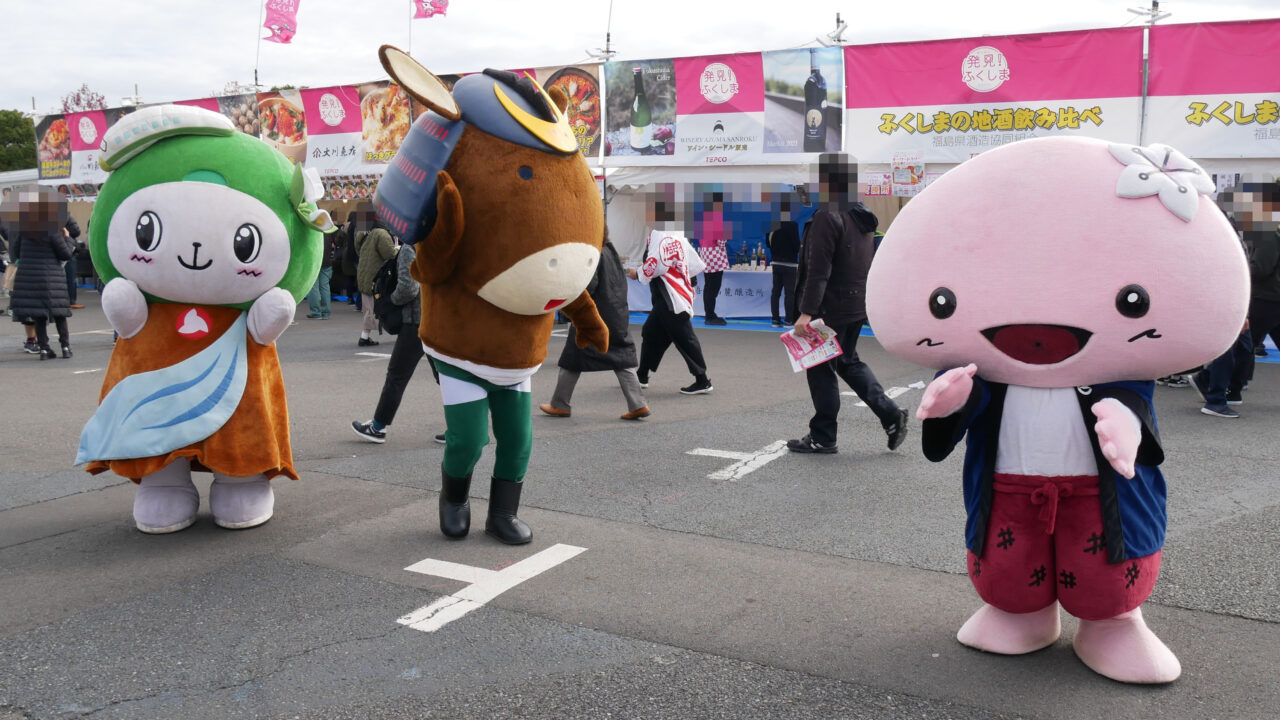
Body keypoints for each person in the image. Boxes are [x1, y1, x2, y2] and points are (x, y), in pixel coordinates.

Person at [788, 153, 907, 454]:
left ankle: (823, 436)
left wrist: (806, 312)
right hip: (854, 304)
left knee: (820, 369)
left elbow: (818, 271)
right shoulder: (861, 214)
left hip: (828, 308)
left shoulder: (829, 215)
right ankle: (891, 415)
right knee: (848, 362)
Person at [539, 231, 650, 420]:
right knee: (622, 358)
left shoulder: (592, 252)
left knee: (572, 357)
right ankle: (638, 404)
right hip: (616, 311)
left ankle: (560, 404)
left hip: (595, 313)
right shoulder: (610, 250)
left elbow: (589, 284)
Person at [351, 241, 447, 444]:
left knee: (397, 376)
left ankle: (378, 427)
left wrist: (390, 301)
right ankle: (461, 427)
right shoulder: (439, 243)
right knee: (445, 375)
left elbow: (408, 288)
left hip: (415, 321)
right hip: (438, 317)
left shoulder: (411, 247)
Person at [629, 225, 714, 395]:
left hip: (670, 295)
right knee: (651, 332)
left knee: (684, 337)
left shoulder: (660, 235)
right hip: (673, 293)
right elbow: (692, 262)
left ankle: (702, 379)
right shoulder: (678, 234)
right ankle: (642, 375)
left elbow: (655, 263)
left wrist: (637, 274)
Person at [8, 189, 74, 359]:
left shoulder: (24, 231)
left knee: (39, 317)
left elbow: (16, 252)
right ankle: (65, 348)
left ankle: (44, 349)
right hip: (52, 279)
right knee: (59, 314)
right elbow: (65, 254)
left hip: (30, 279)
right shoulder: (52, 230)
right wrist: (67, 238)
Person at [355, 219, 396, 346]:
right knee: (373, 309)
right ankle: (364, 337)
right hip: (375, 277)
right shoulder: (381, 234)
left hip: (364, 273)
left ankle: (365, 336)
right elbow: (390, 253)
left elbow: (357, 250)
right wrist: (399, 250)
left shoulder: (362, 233)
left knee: (368, 307)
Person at [696, 193, 729, 325]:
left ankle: (709, 314)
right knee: (714, 286)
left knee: (708, 285)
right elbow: (721, 241)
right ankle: (710, 316)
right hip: (715, 254)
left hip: (705, 253)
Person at [767, 206, 801, 327]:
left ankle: (775, 319)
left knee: (775, 292)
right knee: (789, 293)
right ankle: (788, 320)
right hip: (790, 264)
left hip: (775, 262)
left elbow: (767, 243)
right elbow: (797, 245)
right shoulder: (793, 225)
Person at [306, 210, 342, 319]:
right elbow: (337, 241)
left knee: (313, 286)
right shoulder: (328, 227)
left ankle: (316, 312)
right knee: (325, 286)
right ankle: (326, 313)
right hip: (326, 261)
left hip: (314, 261)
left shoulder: (310, 228)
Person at [63, 216, 84, 309]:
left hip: (57, 248)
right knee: (70, 276)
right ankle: (71, 300)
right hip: (67, 248)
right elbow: (76, 231)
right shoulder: (66, 217)